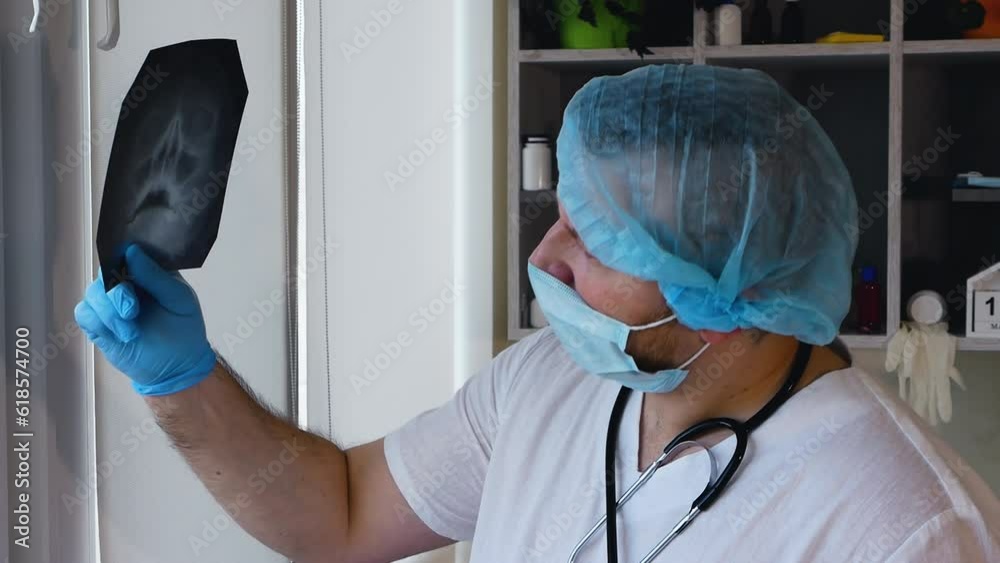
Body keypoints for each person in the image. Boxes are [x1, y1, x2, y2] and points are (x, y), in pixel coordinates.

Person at [75, 64, 999, 562]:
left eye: (597, 242)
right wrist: (182, 380)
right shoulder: (547, 383)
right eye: (562, 212)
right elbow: (341, 517)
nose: (545, 257)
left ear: (723, 295)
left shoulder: (905, 528)